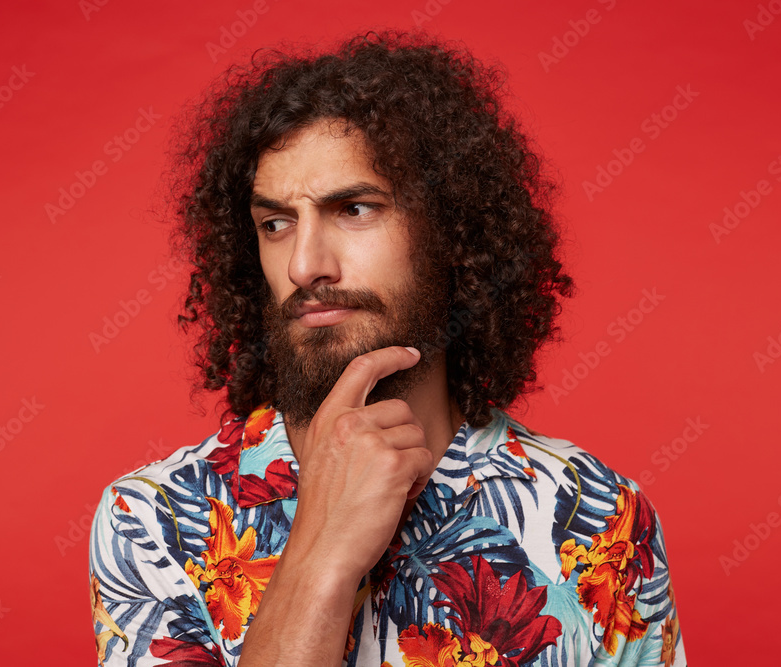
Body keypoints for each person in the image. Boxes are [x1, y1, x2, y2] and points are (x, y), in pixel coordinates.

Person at [89, 29, 686, 667]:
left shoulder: (598, 520)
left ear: (451, 231)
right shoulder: (154, 518)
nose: (304, 265)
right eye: (276, 223)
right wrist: (319, 554)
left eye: (354, 209)